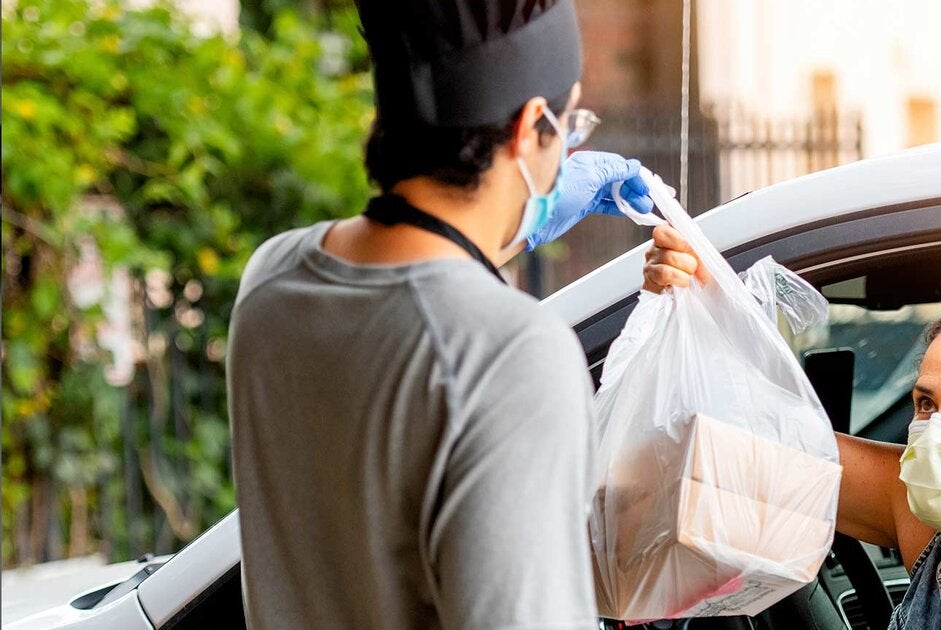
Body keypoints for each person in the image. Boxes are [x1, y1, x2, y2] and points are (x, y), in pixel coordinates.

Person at [227, 1, 648, 628]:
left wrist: (511, 232)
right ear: (532, 124)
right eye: (569, 126)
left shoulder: (273, 278)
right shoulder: (512, 356)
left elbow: (421, 281)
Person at [642, 226, 941, 630]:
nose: (937, 435)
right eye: (926, 404)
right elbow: (760, 449)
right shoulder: (931, 523)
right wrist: (700, 310)